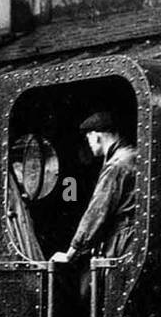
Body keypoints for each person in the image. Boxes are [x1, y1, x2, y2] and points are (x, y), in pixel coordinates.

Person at [50, 111, 137, 265]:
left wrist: (71, 253)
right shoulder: (133, 155)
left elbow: (97, 211)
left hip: (122, 241)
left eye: (88, 137)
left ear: (96, 136)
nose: (88, 144)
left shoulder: (116, 165)